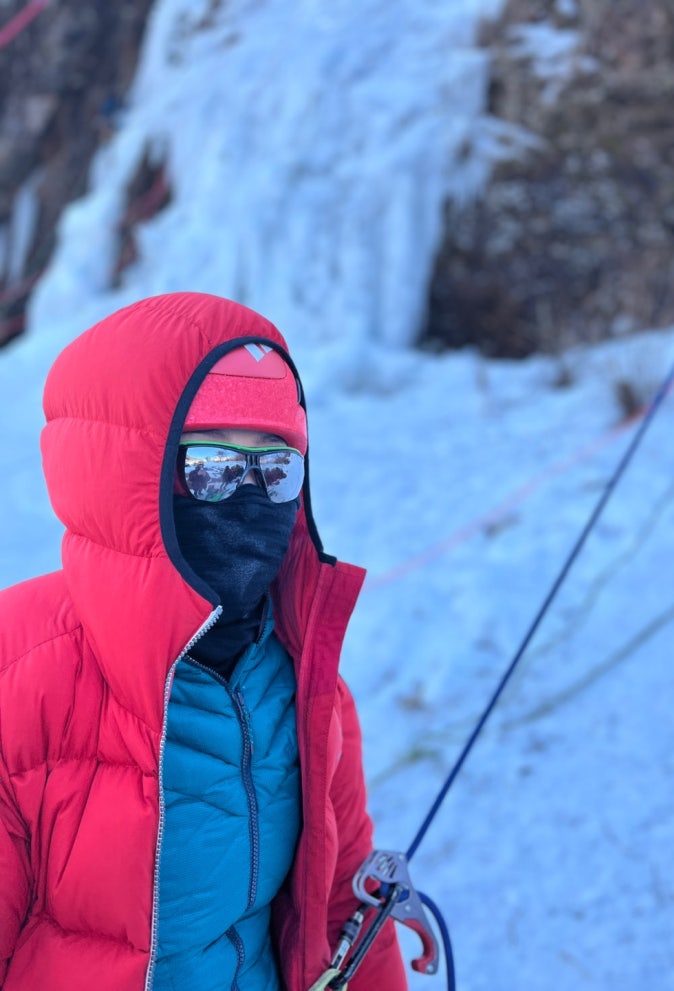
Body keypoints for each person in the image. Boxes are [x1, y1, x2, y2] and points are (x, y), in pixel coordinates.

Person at [0, 293, 407, 990]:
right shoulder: (19, 673)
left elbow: (341, 904)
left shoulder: (304, 681)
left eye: (276, 468)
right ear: (129, 477)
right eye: (211, 467)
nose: (250, 497)